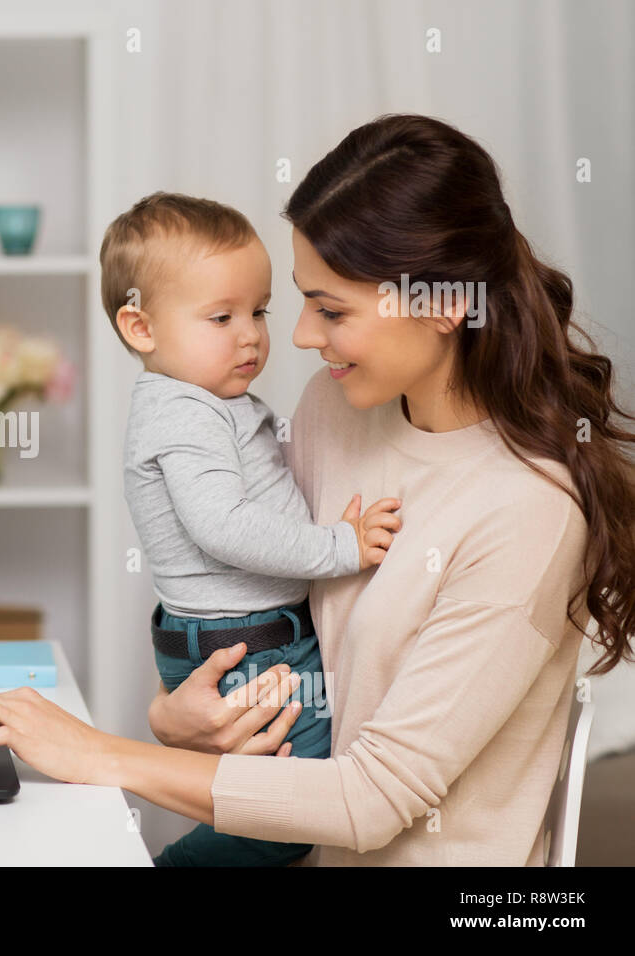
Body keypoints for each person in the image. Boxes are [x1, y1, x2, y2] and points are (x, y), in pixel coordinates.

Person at [0, 113, 635, 865]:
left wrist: (98, 755)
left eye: (332, 310)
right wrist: (176, 717)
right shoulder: (332, 411)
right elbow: (248, 594)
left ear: (443, 304)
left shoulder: (528, 513)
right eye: (302, 301)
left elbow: (371, 800)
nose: (302, 337)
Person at [102, 191, 401, 865]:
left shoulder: (208, 402)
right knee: (287, 811)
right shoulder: (184, 414)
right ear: (141, 328)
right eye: (221, 316)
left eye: (259, 310)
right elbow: (224, 527)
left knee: (280, 808)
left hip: (242, 637)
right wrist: (340, 547)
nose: (252, 334)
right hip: (247, 648)